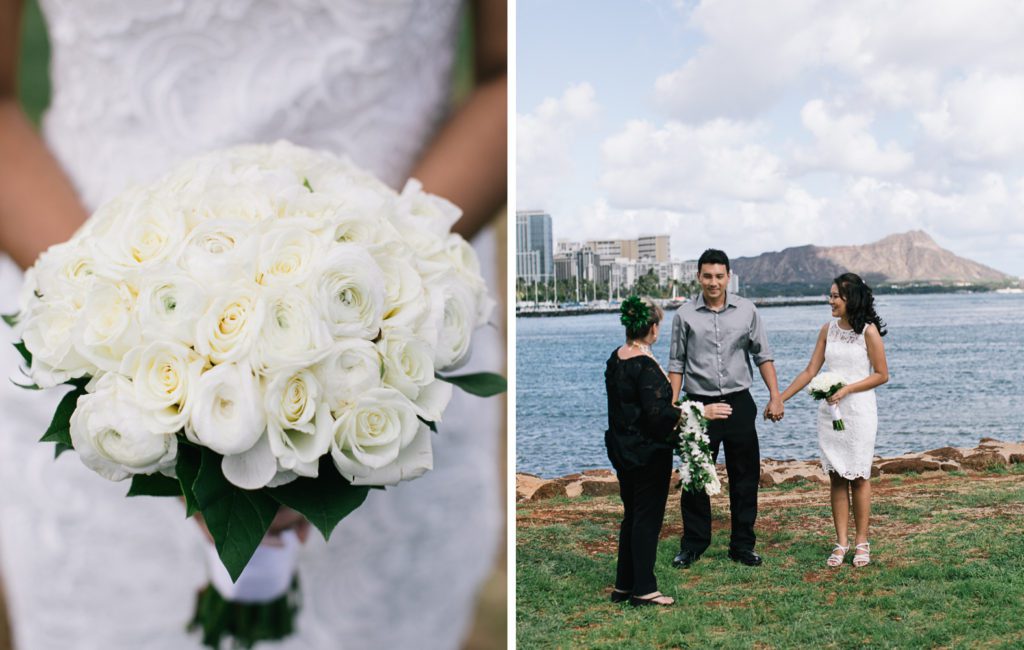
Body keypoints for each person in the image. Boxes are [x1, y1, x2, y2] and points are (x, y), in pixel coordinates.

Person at [0, 1, 506, 648]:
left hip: (381, 342)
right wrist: (116, 330)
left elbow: (508, 72)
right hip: (94, 316)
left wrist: (383, 292)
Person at [667, 249, 783, 569]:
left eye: (719, 276)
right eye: (707, 276)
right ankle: (693, 545)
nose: (713, 282)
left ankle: (742, 546)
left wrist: (775, 396)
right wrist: (673, 409)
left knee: (745, 477)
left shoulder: (747, 310)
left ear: (728, 277)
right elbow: (676, 363)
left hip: (739, 403)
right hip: (699, 405)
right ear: (698, 277)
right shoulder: (684, 315)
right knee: (695, 478)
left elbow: (763, 355)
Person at [778, 273, 888, 568]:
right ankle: (841, 542)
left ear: (851, 298)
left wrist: (847, 389)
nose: (830, 301)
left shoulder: (868, 332)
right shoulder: (827, 329)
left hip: (859, 411)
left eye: (835, 296)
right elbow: (809, 371)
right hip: (830, 413)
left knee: (859, 476)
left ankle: (862, 542)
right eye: (830, 296)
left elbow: (882, 374)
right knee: (837, 476)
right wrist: (780, 398)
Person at [604, 297, 680, 607]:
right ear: (653, 328)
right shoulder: (644, 365)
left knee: (632, 516)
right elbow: (657, 413)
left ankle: (624, 584)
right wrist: (697, 413)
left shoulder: (616, 358)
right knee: (647, 519)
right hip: (649, 454)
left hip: (623, 450)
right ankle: (645, 589)